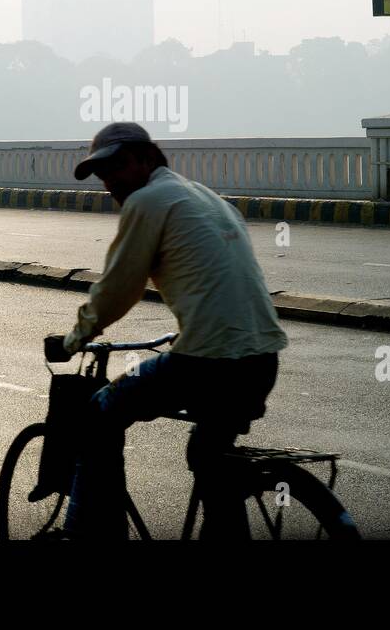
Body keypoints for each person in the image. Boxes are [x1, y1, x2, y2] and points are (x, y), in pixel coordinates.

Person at [45, 122, 289, 540]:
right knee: (210, 457)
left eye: (117, 167)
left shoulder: (148, 201)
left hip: (207, 362)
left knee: (99, 414)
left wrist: (74, 340)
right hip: (262, 359)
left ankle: (87, 534)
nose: (110, 182)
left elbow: (118, 289)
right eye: (103, 175)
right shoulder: (209, 199)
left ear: (147, 158)